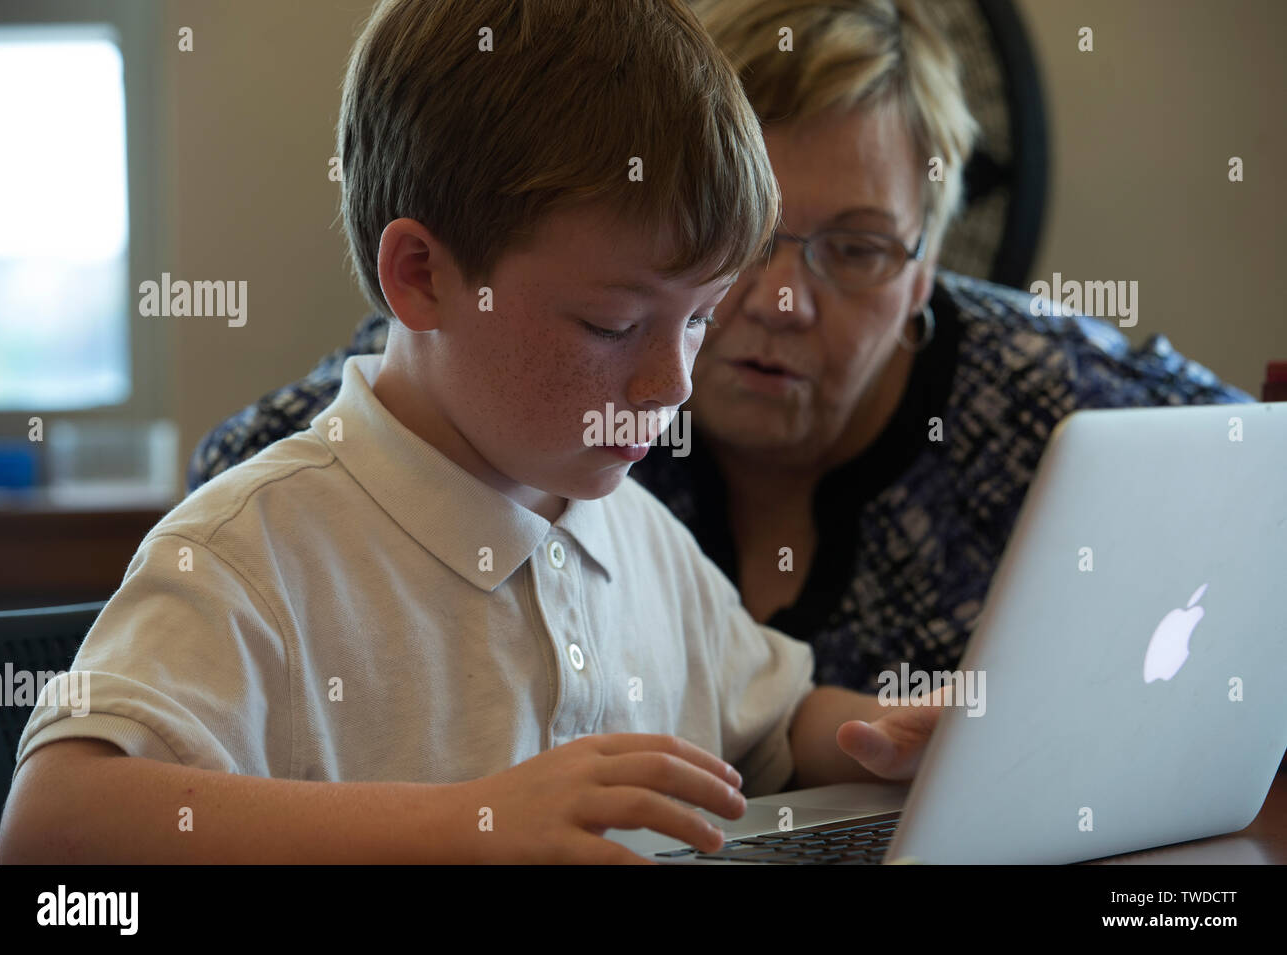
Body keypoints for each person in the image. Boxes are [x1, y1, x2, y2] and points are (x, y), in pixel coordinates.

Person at [0, 0, 946, 866]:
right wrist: (468, 823)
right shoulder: (254, 554)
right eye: (613, 326)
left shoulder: (635, 532)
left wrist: (896, 735)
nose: (672, 382)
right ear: (420, 277)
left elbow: (777, 719)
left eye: (699, 318)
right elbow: (52, 826)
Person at [187, 0, 1254, 695]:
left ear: (931, 267)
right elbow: (280, 478)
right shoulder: (537, 398)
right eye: (747, 249)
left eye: (862, 249)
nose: (784, 301)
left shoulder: (1064, 401)